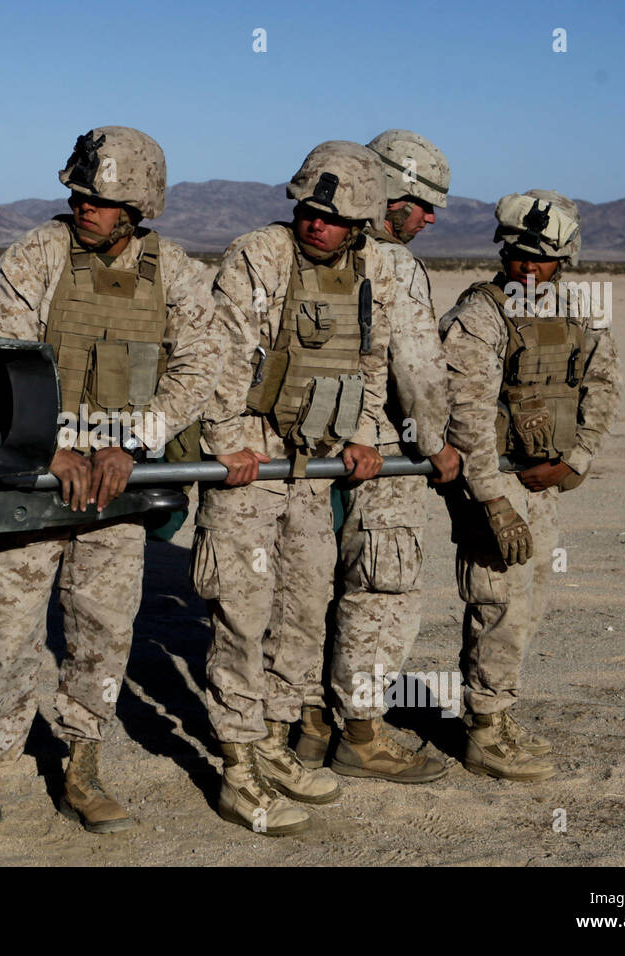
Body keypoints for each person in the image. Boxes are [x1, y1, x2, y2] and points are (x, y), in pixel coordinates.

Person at [0, 127, 225, 844]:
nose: (82, 205)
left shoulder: (176, 273)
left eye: (99, 198)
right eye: (78, 193)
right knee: (7, 627)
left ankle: (82, 768)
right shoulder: (39, 252)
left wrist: (134, 439)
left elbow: (202, 365)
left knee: (103, 633)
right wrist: (51, 442)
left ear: (138, 208)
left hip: (116, 492)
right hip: (34, 481)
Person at [192, 141, 396, 835]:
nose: (316, 225)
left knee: (305, 610)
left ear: (362, 224)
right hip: (251, 458)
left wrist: (365, 433)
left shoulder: (369, 271)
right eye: (309, 210)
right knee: (242, 614)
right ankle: (237, 764)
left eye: (333, 218)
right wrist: (227, 442)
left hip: (315, 463)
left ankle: (275, 742)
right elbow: (222, 349)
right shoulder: (259, 253)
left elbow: (370, 359)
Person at [438, 189, 620, 780]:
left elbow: (601, 384)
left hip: (543, 484)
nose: (528, 266)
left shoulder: (577, 311)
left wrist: (578, 461)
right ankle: (484, 731)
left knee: (531, 604)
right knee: (497, 601)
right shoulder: (479, 314)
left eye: (542, 257)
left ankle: (499, 712)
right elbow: (465, 416)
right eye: (518, 253)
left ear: (564, 260)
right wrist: (492, 500)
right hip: (495, 482)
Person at [298, 130, 459, 784]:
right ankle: (360, 734)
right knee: (382, 591)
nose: (429, 217)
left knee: (308, 589)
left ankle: (307, 724)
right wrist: (440, 446)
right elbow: (418, 371)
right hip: (384, 455)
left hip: (305, 449)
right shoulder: (393, 265)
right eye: (421, 203)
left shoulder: (301, 250)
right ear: (390, 194)